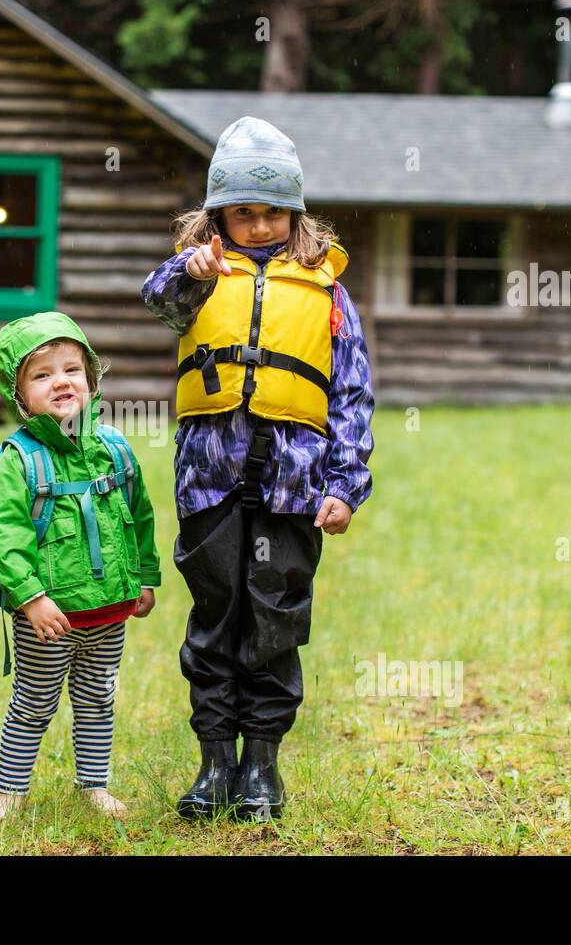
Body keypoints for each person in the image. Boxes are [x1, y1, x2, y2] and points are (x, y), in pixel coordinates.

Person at [140, 116, 375, 821]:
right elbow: (158, 302)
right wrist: (190, 271)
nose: (261, 224)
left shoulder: (326, 290)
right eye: (244, 212)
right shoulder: (196, 275)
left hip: (294, 490)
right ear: (220, 216)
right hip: (210, 483)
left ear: (294, 213)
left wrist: (345, 484)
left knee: (274, 621)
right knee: (216, 617)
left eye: (274, 211)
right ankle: (214, 762)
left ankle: (262, 767)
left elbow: (352, 391)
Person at [0, 312, 160, 822]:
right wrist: (30, 598)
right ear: (19, 395)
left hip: (109, 612)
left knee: (99, 699)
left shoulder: (114, 451)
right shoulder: (19, 461)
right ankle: (11, 793)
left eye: (72, 370)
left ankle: (93, 786)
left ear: (91, 379)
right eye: (41, 375)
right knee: (33, 705)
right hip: (49, 620)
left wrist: (146, 577)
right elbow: (6, 535)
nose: (61, 381)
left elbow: (138, 516)